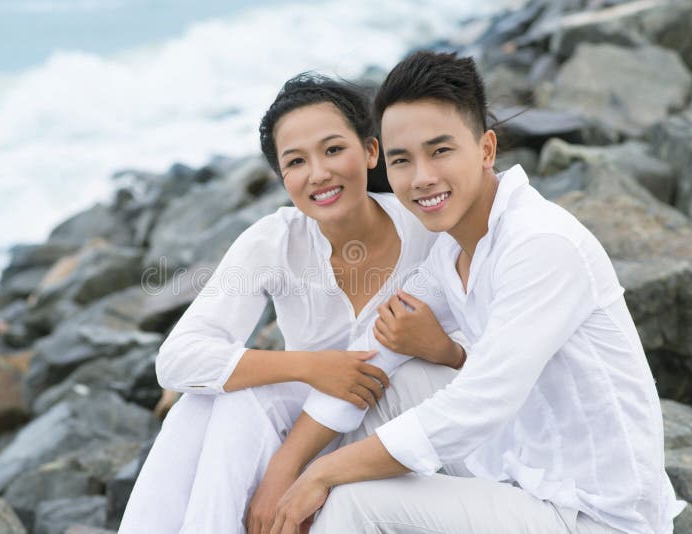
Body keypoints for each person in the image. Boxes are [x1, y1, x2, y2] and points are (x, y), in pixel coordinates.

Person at [265, 51, 687, 534]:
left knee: (353, 503)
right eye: (402, 160)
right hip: (525, 472)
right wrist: (284, 472)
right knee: (388, 384)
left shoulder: (540, 244)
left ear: (486, 150)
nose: (421, 177)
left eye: (440, 151)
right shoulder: (450, 252)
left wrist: (323, 474)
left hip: (595, 515)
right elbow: (371, 355)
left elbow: (479, 404)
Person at [118, 73, 466, 534]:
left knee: (233, 405)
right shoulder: (274, 241)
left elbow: (486, 346)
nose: (318, 173)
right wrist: (311, 365)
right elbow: (177, 361)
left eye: (333, 149)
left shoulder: (426, 228)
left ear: (370, 151)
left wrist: (442, 348)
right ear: (282, 177)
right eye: (296, 161)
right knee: (200, 407)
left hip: (394, 427)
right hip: (302, 429)